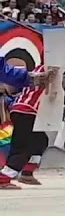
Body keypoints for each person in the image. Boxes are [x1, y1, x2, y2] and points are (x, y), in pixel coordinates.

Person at [0, 61, 57, 190]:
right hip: (27, 110)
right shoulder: (50, 71)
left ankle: (27, 172)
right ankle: (4, 177)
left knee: (41, 140)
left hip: (26, 110)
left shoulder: (39, 70)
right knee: (24, 146)